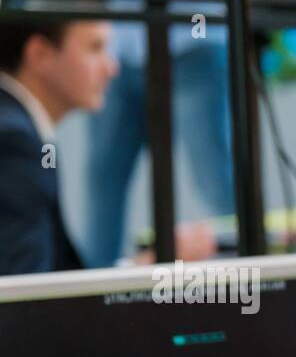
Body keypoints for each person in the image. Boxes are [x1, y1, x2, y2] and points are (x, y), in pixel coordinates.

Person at [0, 19, 215, 278]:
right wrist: (144, 272)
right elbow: (26, 303)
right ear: (40, 54)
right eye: (95, 48)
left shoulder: (18, 132)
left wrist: (142, 266)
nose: (112, 68)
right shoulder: (14, 144)